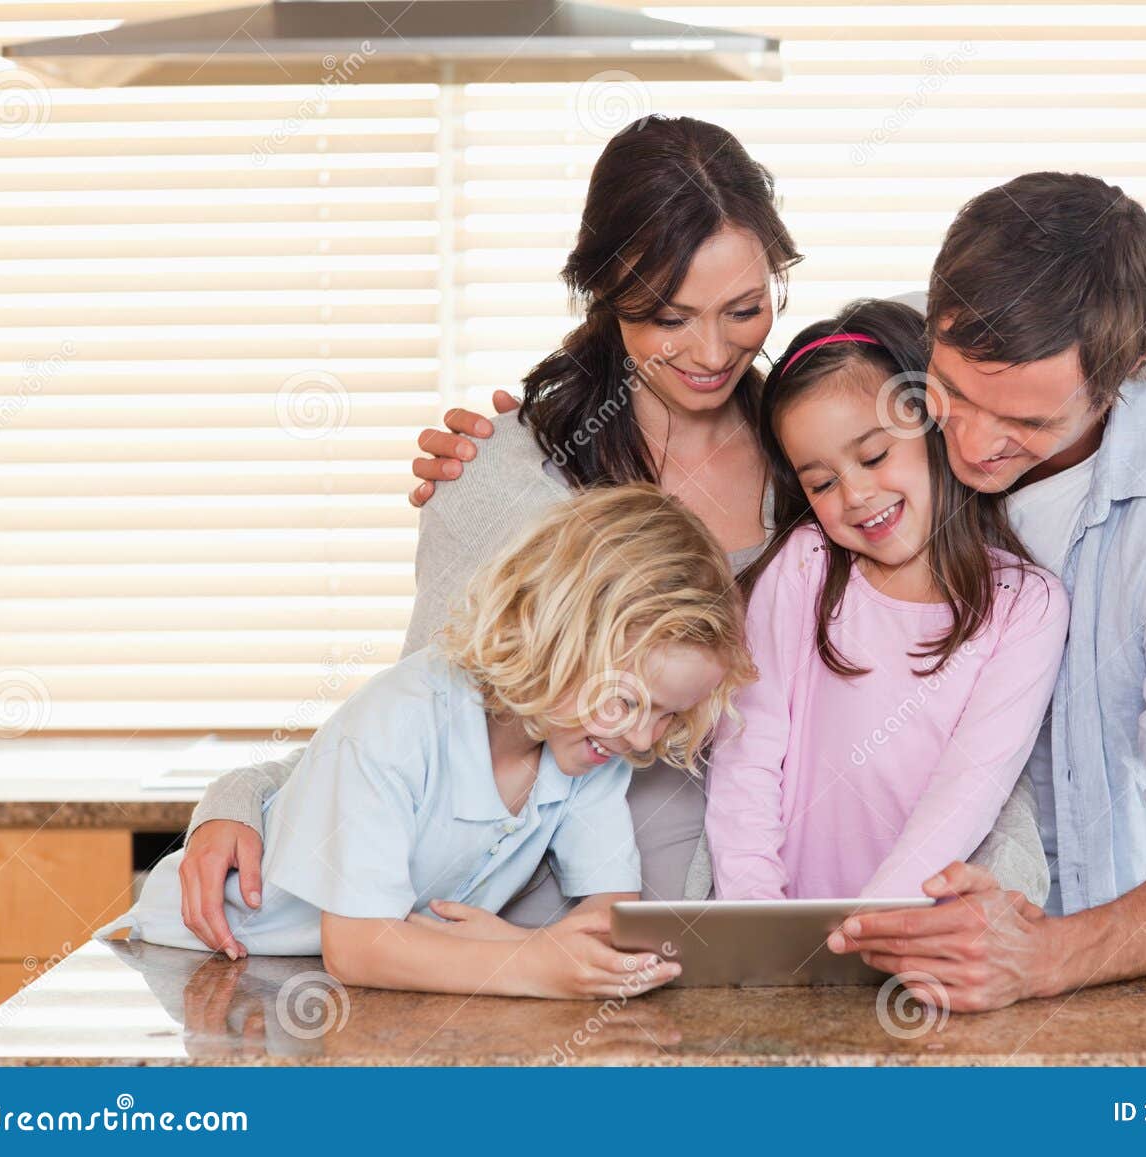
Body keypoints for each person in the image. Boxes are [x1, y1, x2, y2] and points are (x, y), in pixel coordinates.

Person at [175, 114, 800, 956]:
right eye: (669, 317)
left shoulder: (820, 461)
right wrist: (241, 794)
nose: (713, 350)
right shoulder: (505, 475)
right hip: (529, 948)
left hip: (757, 927)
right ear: (604, 295)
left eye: (745, 309)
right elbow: (427, 720)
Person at [824, 172, 1146, 1009]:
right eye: (955, 394)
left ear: (1128, 376)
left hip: (1085, 968)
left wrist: (1043, 957)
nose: (970, 442)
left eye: (1029, 424)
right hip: (856, 948)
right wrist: (525, 438)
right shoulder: (875, 368)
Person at [103, 485, 755, 999]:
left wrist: (524, 944)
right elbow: (357, 948)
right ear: (556, 636)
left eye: (668, 716)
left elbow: (612, 909)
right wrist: (534, 960)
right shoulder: (402, 719)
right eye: (627, 701)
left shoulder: (588, 745)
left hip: (311, 972)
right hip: (196, 951)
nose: (643, 737)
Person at [700, 300, 1067, 901]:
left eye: (873, 456)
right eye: (821, 482)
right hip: (782, 931)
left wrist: (873, 922)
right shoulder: (807, 564)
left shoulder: (1026, 605)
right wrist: (755, 914)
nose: (858, 494)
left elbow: (968, 791)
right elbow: (748, 754)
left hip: (915, 932)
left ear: (934, 426)